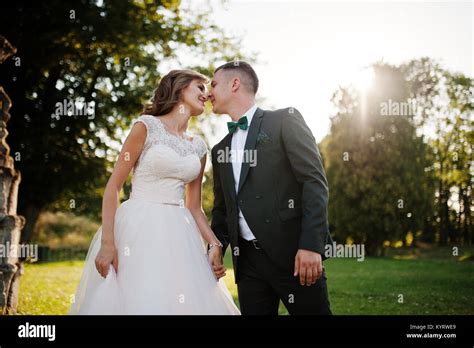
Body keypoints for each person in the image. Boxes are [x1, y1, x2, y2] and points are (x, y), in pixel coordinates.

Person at [69, 69, 240, 315]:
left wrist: (214, 243)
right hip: (138, 225)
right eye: (200, 87)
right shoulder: (146, 126)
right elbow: (113, 186)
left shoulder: (200, 147)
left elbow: (194, 206)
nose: (207, 94)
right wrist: (108, 242)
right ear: (180, 88)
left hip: (181, 233)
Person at [209, 61, 333, 315]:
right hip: (248, 265)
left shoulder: (283, 120)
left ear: (235, 84)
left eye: (213, 84)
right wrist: (216, 245)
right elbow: (223, 209)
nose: (208, 92)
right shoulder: (219, 149)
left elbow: (313, 181)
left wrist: (311, 245)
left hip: (294, 255)